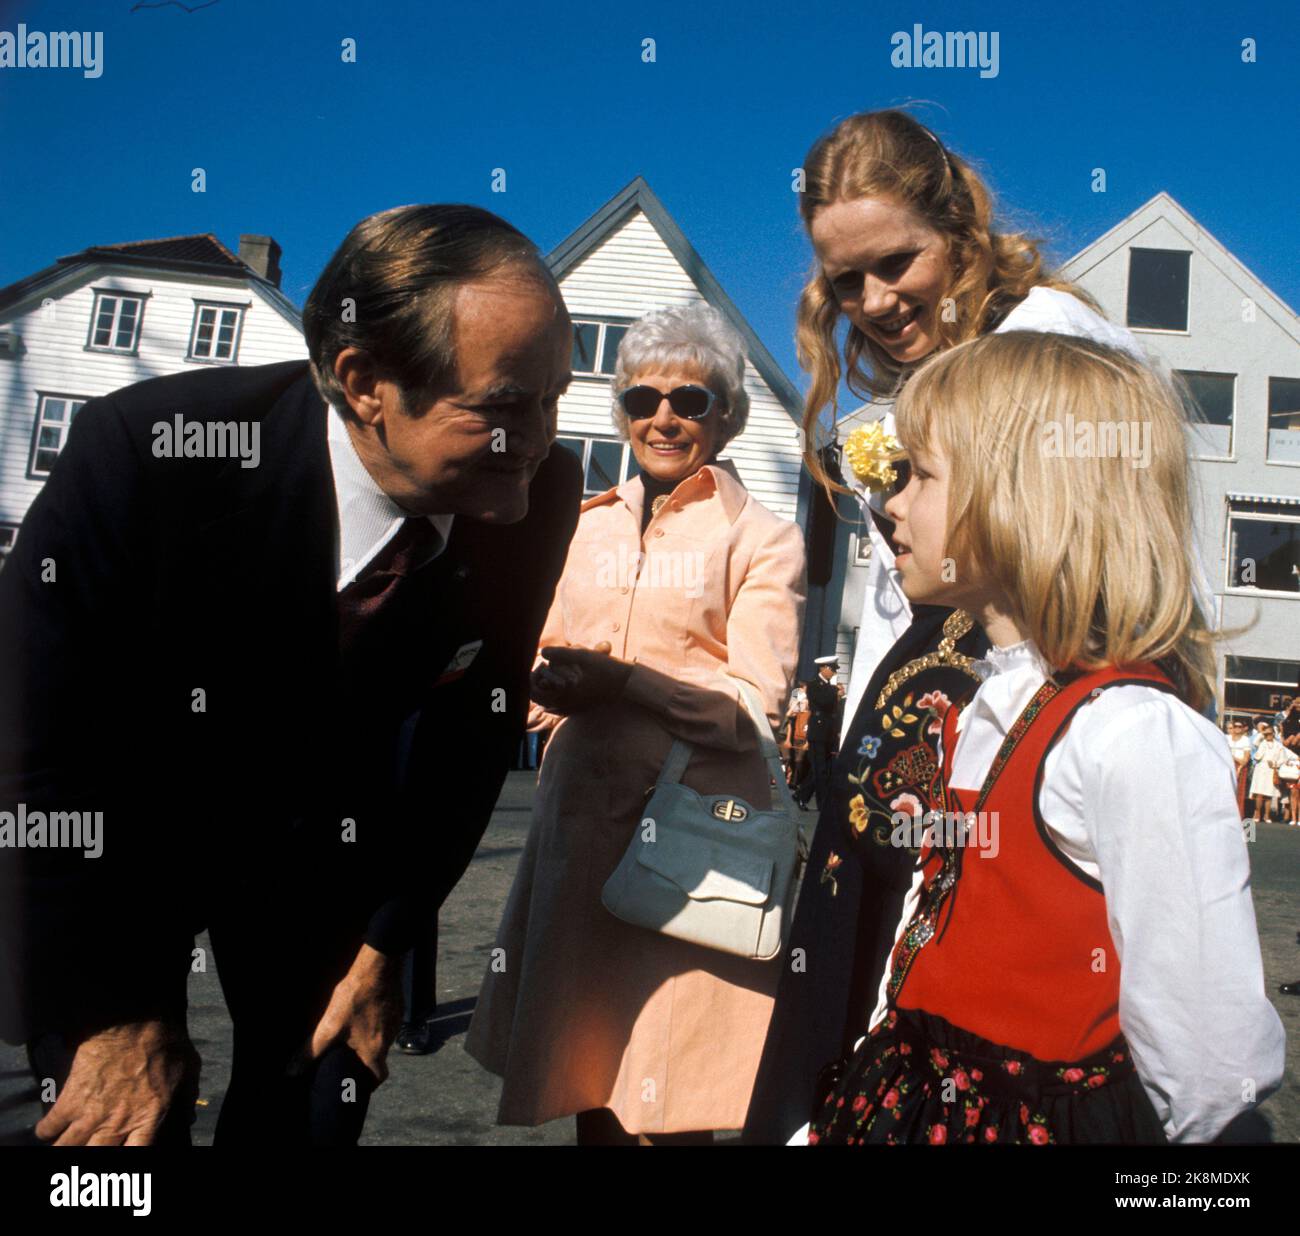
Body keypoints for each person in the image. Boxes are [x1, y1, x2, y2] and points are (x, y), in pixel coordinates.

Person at [0, 204, 582, 1145]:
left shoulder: (526, 493)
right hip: (115, 847)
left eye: (554, 397)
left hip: (324, 857)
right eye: (507, 406)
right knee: (111, 1139)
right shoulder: (148, 457)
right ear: (365, 384)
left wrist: (385, 943)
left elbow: (469, 735)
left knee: (316, 1105)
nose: (543, 439)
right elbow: (30, 754)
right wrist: (110, 1013)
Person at [746, 109, 1150, 1144]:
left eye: (896, 262)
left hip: (1003, 788)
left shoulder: (1052, 349)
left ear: (958, 233)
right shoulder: (925, 379)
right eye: (845, 281)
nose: (874, 303)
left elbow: (1098, 585)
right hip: (899, 786)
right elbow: (894, 615)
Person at [807, 330, 1284, 1144]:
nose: (892, 503)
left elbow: (1209, 1067)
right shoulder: (990, 697)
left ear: (1022, 498)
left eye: (920, 474)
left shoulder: (1132, 734)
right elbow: (926, 936)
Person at [465, 303, 806, 1144]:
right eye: (642, 398)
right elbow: (539, 659)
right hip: (579, 821)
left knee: (668, 1094)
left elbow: (752, 703)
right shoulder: (580, 524)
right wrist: (549, 687)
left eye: (690, 400)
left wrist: (623, 683)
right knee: (589, 1080)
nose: (663, 417)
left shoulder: (762, 538)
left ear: (724, 414)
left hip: (688, 832)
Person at [801, 656, 844, 811]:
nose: (833, 672)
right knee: (821, 770)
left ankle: (801, 796)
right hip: (818, 732)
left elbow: (834, 711)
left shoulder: (829, 687)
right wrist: (835, 692)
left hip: (828, 733)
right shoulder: (813, 685)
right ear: (823, 668)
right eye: (831, 669)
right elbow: (823, 701)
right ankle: (822, 803)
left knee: (821, 768)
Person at [1250, 724, 1287, 825]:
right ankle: (1257, 814)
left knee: (1269, 794)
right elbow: (1254, 742)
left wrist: (1275, 764)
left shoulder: (1279, 746)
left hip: (1271, 770)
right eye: (1267, 734)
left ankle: (1267, 815)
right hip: (1260, 769)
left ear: (1274, 734)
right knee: (1259, 793)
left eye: (1271, 733)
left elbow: (1283, 759)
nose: (1269, 735)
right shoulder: (1262, 742)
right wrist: (1263, 733)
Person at [1227, 719, 1253, 820]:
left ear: (1243, 729)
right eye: (1235, 726)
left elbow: (1245, 760)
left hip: (1240, 767)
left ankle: (1238, 814)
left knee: (1239, 791)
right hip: (1227, 764)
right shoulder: (1226, 738)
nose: (1237, 729)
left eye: (1239, 727)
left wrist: (1233, 758)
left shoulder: (1245, 740)